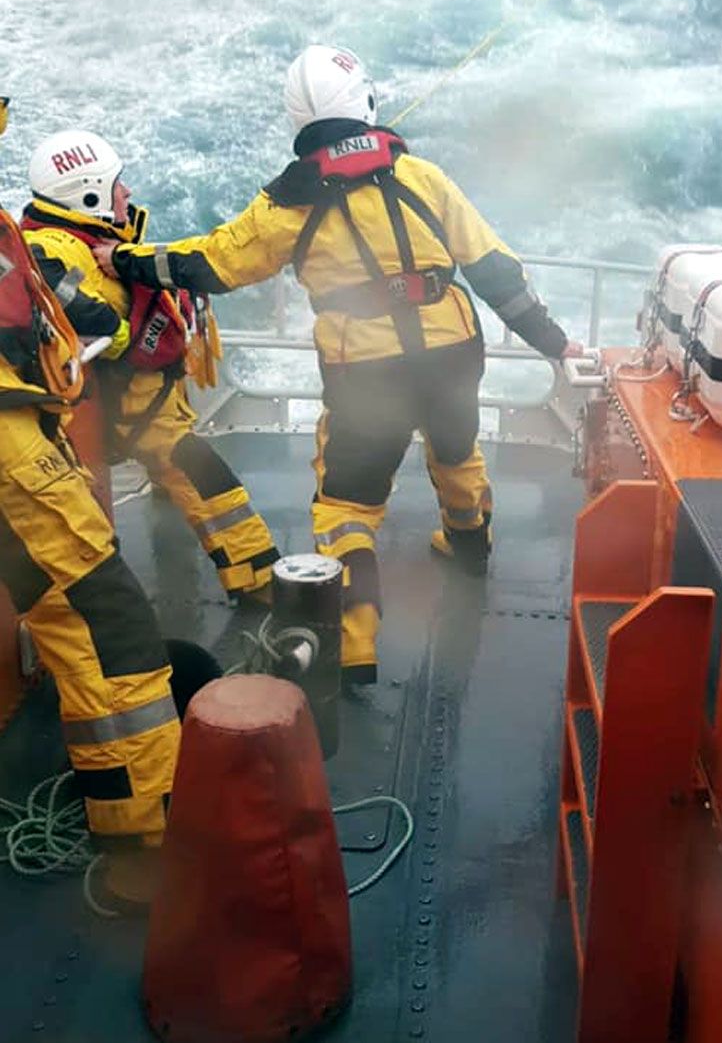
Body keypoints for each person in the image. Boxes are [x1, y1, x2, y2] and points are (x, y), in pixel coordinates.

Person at [96, 44, 583, 685]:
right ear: (367, 103)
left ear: (297, 120)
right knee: (455, 448)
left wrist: (126, 261)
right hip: (453, 353)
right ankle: (469, 546)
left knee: (347, 505)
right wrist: (553, 342)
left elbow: (211, 264)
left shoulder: (289, 203)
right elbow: (494, 269)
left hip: (368, 371)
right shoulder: (423, 178)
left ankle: (355, 643)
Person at [0, 95, 179, 867]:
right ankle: (151, 827)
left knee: (68, 622)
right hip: (10, 438)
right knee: (110, 620)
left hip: (25, 419)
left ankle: (121, 811)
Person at [23, 130, 280, 605]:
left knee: (186, 476)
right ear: (89, 194)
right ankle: (260, 578)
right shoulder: (52, 247)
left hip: (148, 399)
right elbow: (54, 290)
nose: (128, 193)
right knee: (206, 479)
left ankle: (243, 568)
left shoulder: (90, 237)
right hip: (132, 408)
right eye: (117, 185)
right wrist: (118, 333)